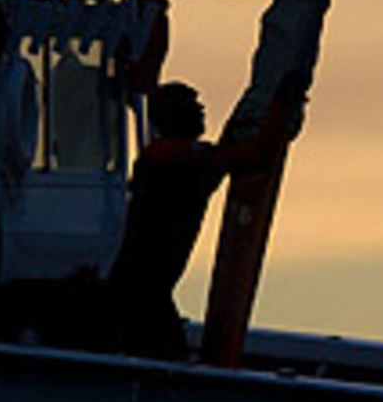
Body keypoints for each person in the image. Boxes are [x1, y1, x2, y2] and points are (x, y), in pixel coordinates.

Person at [100, 79, 291, 358]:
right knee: (164, 357)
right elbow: (255, 159)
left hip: (135, 288)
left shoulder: (162, 159)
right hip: (144, 294)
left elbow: (213, 171)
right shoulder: (182, 158)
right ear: (177, 116)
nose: (202, 110)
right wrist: (281, 105)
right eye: (194, 106)